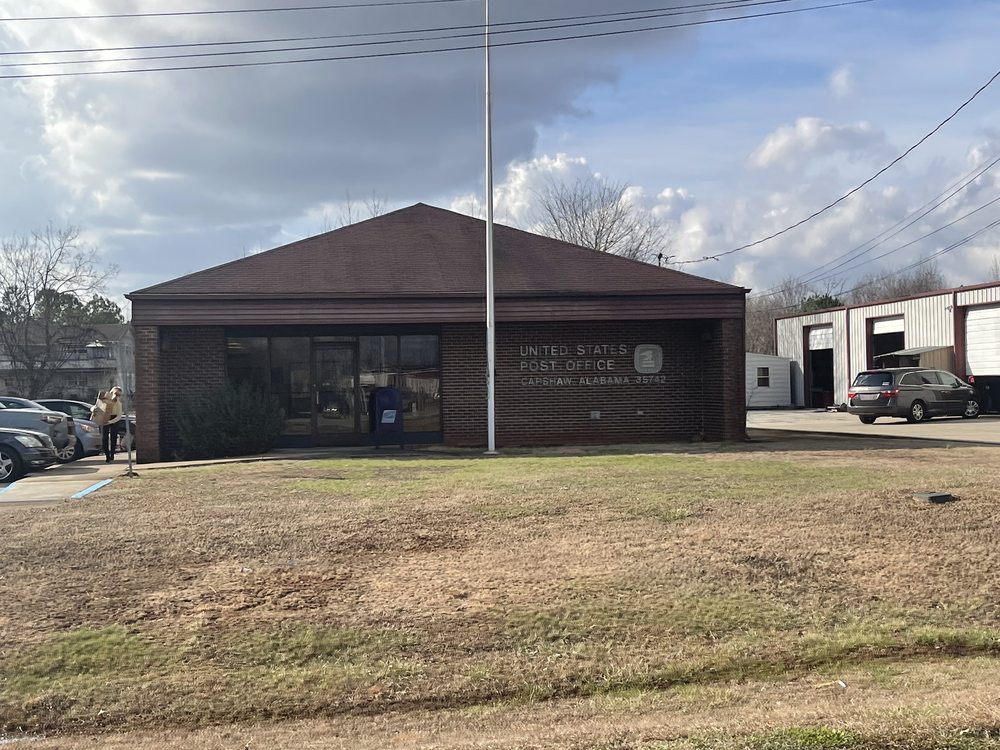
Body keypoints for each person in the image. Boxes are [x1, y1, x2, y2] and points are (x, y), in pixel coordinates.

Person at [92, 387, 124, 463]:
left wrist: (110, 422)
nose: (117, 396)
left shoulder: (118, 403)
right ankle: (107, 455)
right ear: (111, 393)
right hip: (104, 417)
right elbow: (96, 406)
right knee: (104, 437)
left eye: (119, 395)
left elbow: (119, 416)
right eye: (116, 394)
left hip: (114, 418)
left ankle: (112, 454)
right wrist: (93, 409)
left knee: (113, 437)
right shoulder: (104, 400)